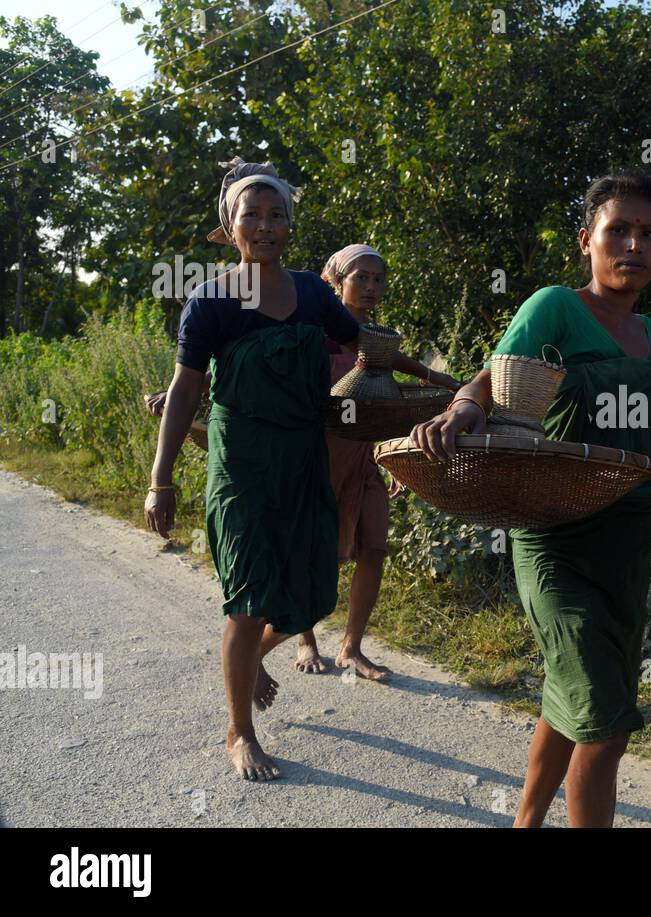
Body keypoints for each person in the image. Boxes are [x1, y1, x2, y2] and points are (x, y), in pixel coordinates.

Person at [410, 172, 651, 827]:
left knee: (570, 699)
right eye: (619, 230)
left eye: (649, 233)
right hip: (557, 542)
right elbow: (493, 378)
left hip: (628, 548)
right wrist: (460, 410)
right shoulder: (555, 308)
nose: (634, 243)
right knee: (604, 725)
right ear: (586, 240)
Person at [145, 158, 439, 781]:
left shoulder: (310, 293)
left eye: (277, 214)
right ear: (230, 225)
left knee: (307, 589)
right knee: (248, 599)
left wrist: (441, 387)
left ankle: (253, 665)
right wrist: (160, 479)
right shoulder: (212, 302)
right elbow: (184, 393)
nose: (267, 225)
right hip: (244, 468)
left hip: (305, 459)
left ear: (291, 224)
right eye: (252, 214)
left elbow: (370, 346)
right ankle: (239, 731)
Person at [292, 244, 460, 679]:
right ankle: (306, 639)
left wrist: (432, 378)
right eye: (360, 278)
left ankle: (351, 648)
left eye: (378, 279)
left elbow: (381, 403)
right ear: (337, 280)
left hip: (363, 457)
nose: (370, 287)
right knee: (314, 550)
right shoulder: (312, 331)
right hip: (317, 455)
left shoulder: (377, 338)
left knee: (375, 547)